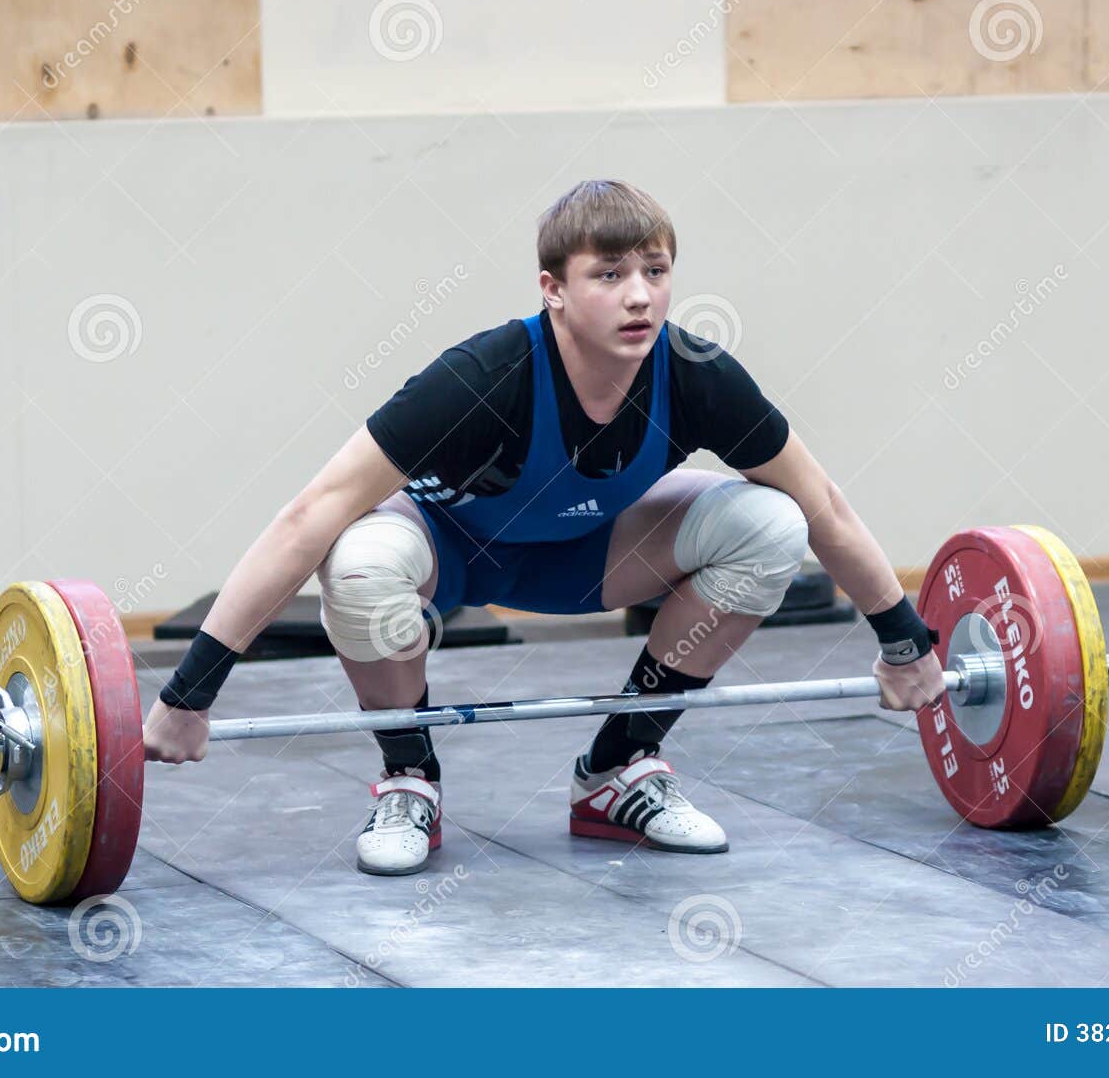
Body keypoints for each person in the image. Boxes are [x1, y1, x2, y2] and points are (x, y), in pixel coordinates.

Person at [143, 179, 944, 876]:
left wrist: (906, 644)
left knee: (773, 523)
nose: (640, 296)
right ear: (552, 288)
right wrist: (189, 693)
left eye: (655, 272)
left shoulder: (700, 377)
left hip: (595, 554)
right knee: (357, 558)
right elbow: (308, 513)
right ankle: (409, 779)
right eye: (610, 274)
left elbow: (825, 506)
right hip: (449, 552)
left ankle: (619, 768)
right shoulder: (480, 378)